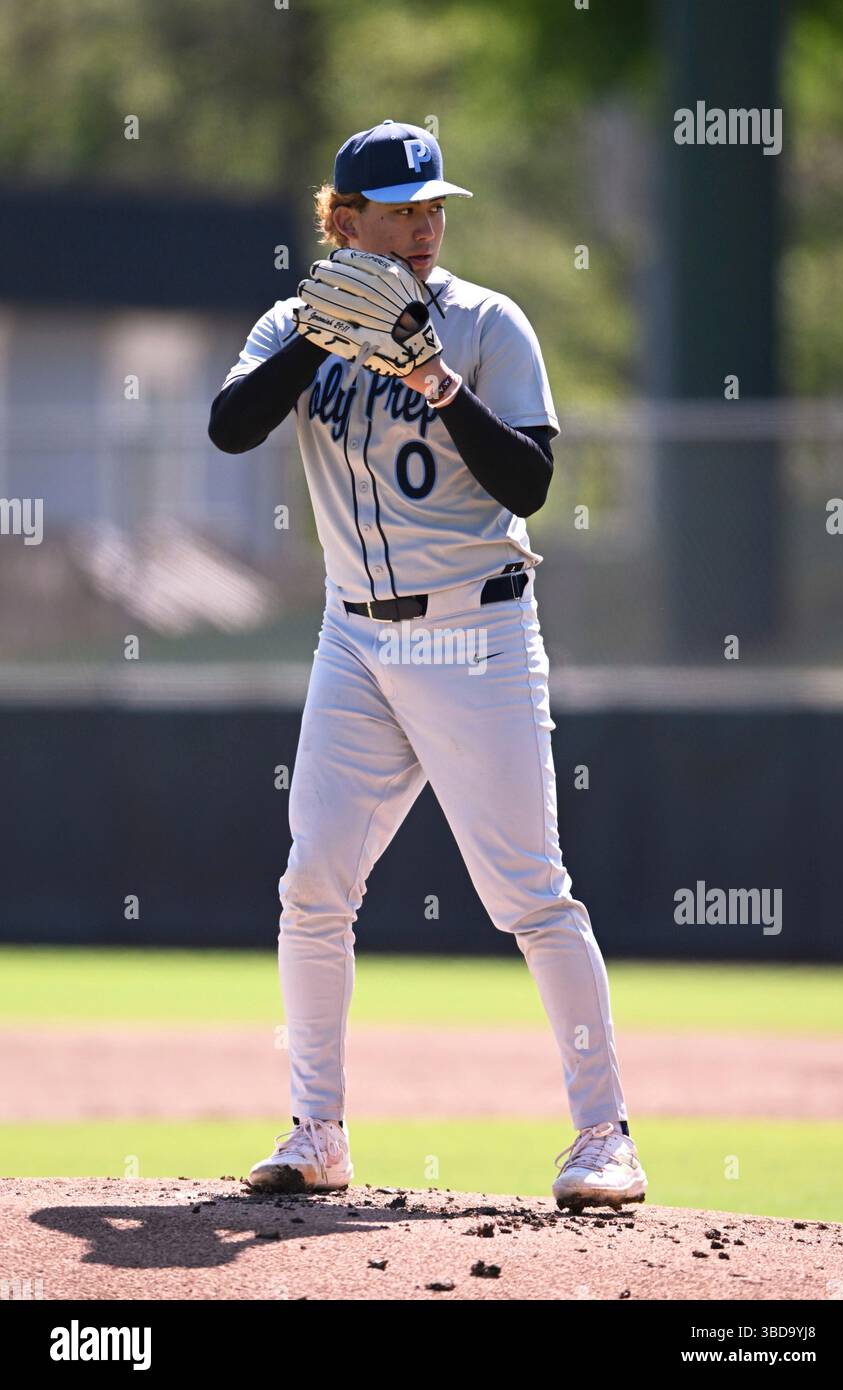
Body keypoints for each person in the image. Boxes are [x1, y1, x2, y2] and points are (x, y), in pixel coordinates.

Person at [209, 119, 648, 1212]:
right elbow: (229, 426)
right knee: (313, 883)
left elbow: (530, 482)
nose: (421, 226)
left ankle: (604, 1137)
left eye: (432, 206)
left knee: (529, 896)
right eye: (398, 208)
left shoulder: (486, 320)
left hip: (475, 629)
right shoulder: (291, 322)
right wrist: (322, 336)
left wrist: (440, 381)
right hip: (353, 634)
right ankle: (317, 1131)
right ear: (342, 219)